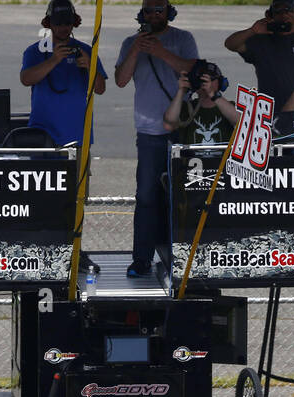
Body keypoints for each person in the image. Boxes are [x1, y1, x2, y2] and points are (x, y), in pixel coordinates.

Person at [114, 1, 197, 278]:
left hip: (181, 129)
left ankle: (179, 258)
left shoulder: (182, 39)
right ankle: (141, 259)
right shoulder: (130, 42)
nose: (153, 16)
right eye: (149, 11)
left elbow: (192, 69)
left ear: (168, 13)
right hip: (149, 131)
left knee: (181, 197)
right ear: (142, 14)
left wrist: (161, 52)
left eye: (158, 11)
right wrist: (137, 49)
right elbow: (121, 80)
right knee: (147, 197)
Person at [223, 0, 294, 129]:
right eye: (279, 12)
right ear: (270, 16)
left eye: (288, 11)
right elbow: (230, 44)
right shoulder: (261, 40)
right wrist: (252, 31)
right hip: (272, 113)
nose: (283, 16)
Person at [20, 0, 107, 148]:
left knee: (77, 171)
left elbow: (100, 89)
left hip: (77, 134)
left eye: (67, 22)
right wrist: (54, 60)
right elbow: (26, 79)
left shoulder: (86, 51)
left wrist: (90, 67)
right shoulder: (35, 51)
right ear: (48, 23)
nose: (63, 28)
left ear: (74, 23)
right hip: (42, 133)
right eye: (58, 23)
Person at [163, 60, 240, 147]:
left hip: (222, 159)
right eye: (202, 79)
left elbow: (240, 121)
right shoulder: (187, 108)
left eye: (211, 79)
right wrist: (181, 91)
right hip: (192, 160)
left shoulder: (229, 106)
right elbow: (168, 123)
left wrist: (213, 95)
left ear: (220, 83)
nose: (206, 83)